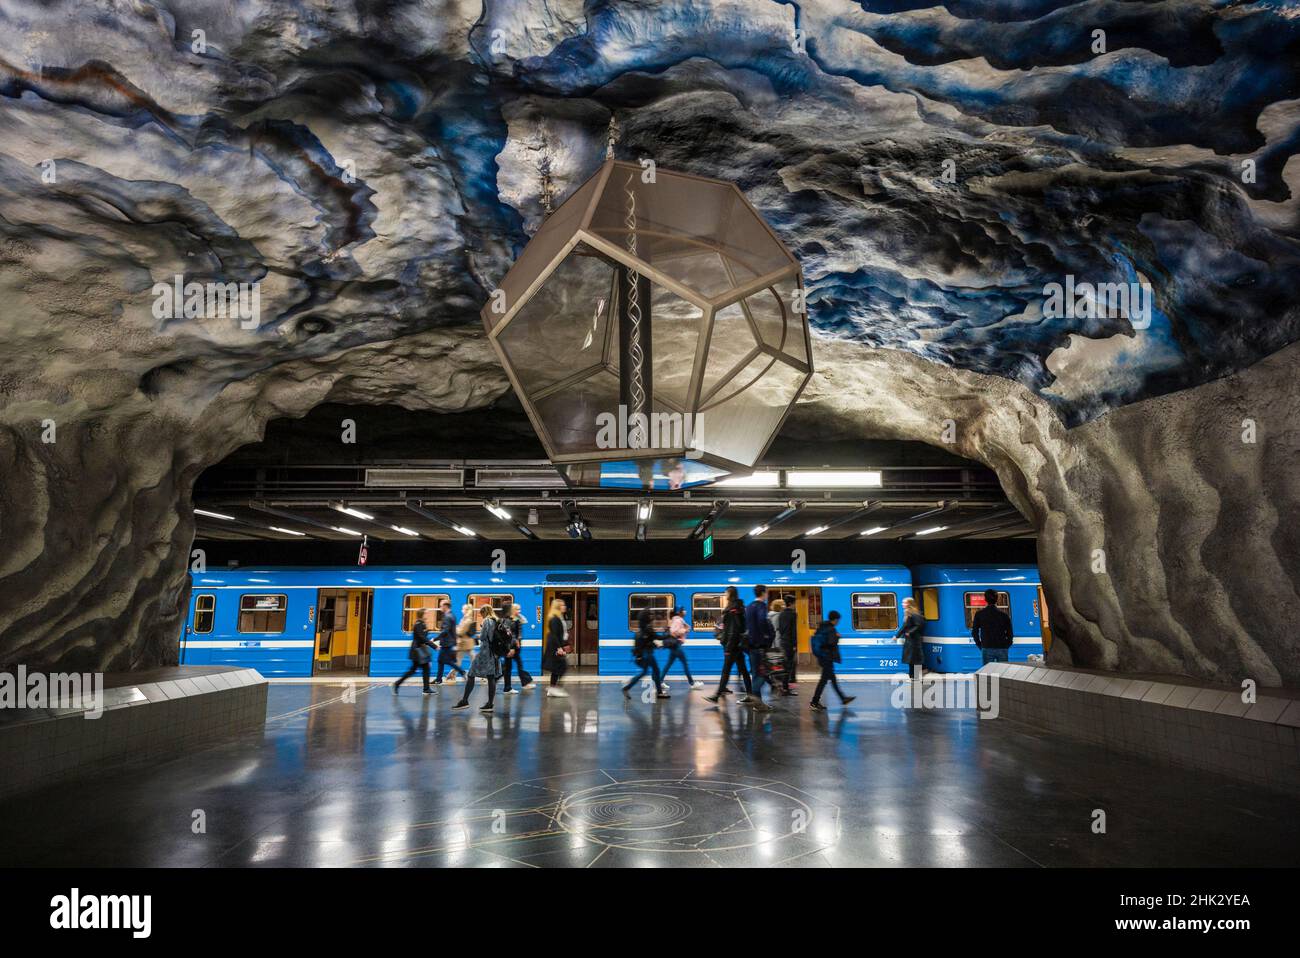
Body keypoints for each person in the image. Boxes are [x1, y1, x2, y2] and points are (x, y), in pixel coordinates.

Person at [452, 604, 505, 713]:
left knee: (471, 674)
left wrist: (479, 632)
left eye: (481, 614)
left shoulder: (486, 621)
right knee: (491, 678)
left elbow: (484, 637)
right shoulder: (496, 620)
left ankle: (465, 701)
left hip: (485, 652)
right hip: (494, 653)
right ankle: (490, 703)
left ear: (484, 613)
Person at [705, 587, 753, 704]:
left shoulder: (732, 609)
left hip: (732, 645)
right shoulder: (738, 607)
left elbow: (733, 630)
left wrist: (728, 647)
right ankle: (750, 695)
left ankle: (716, 695)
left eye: (726, 592)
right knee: (743, 670)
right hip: (738, 644)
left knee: (726, 670)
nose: (725, 594)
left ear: (730, 593)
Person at [809, 611, 855, 710]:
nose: (838, 622)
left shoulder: (822, 627)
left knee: (832, 680)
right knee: (823, 681)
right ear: (835, 620)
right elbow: (830, 643)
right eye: (838, 620)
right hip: (827, 657)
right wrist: (837, 637)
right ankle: (814, 702)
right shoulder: (831, 629)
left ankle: (843, 698)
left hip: (823, 657)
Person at [623, 608, 669, 700]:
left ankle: (626, 688)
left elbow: (648, 641)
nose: (651, 617)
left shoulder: (641, 628)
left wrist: (655, 645)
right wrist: (669, 634)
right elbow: (659, 637)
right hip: (647, 654)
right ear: (646, 617)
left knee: (647, 671)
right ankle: (659, 692)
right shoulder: (648, 628)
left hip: (642, 654)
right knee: (655, 671)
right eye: (650, 615)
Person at [743, 584, 776, 711]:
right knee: (763, 673)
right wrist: (767, 635)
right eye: (766, 592)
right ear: (763, 593)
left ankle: (758, 705)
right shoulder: (761, 606)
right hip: (760, 645)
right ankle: (753, 695)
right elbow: (762, 620)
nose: (767, 595)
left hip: (751, 645)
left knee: (756, 673)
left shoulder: (749, 606)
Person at [394, 608, 435, 694]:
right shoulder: (418, 624)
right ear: (422, 614)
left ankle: (398, 684)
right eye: (426, 613)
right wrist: (434, 646)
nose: (428, 615)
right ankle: (426, 689)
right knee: (422, 669)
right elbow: (422, 637)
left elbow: (423, 636)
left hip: (419, 650)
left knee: (415, 670)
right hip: (417, 651)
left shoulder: (422, 623)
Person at [660, 606, 703, 690]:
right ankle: (692, 683)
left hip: (675, 645)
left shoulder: (676, 619)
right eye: (683, 610)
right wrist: (685, 630)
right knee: (685, 663)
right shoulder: (678, 620)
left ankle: (660, 681)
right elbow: (673, 631)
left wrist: (685, 629)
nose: (685, 611)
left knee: (669, 664)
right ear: (679, 612)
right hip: (677, 645)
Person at [971, 589, 1014, 665]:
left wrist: (980, 645)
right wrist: (1007, 644)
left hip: (987, 647)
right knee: (1003, 672)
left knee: (988, 674)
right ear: (997, 599)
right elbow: (1010, 633)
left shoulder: (979, 614)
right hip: (1002, 647)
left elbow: (974, 632)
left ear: (985, 599)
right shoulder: (1004, 615)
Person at [500, 603, 536, 693]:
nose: (519, 611)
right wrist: (512, 647)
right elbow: (510, 635)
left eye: (519, 609)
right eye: (517, 609)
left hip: (515, 647)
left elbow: (520, 629)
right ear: (512, 610)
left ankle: (517, 684)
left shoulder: (516, 619)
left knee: (510, 666)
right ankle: (510, 686)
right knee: (509, 667)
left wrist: (518, 641)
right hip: (510, 647)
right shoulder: (508, 620)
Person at [542, 598, 572, 697]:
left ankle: (553, 688)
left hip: (557, 645)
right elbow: (554, 634)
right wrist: (559, 648)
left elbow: (561, 634)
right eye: (563, 605)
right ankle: (555, 688)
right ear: (558, 607)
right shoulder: (555, 619)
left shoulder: (558, 618)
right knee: (561, 667)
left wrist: (565, 644)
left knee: (557, 669)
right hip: (555, 646)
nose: (565, 607)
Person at [433, 598, 466, 685]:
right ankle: (438, 679)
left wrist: (435, 639)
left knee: (447, 661)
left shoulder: (447, 617)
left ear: (445, 606)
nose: (440, 607)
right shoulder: (452, 615)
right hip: (449, 642)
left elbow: (445, 631)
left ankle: (462, 672)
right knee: (440, 660)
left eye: (441, 606)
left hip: (447, 643)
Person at [768, 598, 795, 696]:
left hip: (770, 644)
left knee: (772, 665)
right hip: (778, 643)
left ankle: (774, 684)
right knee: (782, 665)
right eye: (783, 605)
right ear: (780, 607)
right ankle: (781, 686)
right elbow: (778, 632)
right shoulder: (778, 616)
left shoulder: (769, 615)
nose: (784, 606)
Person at [896, 596, 926, 677]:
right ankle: (912, 676)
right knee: (911, 659)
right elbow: (904, 626)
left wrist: (910, 632)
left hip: (915, 640)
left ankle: (916, 676)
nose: (903, 604)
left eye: (904, 602)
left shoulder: (915, 614)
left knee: (915, 660)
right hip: (910, 640)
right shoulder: (908, 613)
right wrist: (897, 636)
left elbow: (919, 625)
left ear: (909, 604)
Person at [455, 602, 477, 677]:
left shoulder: (467, 620)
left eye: (463, 609)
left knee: (458, 660)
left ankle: (452, 675)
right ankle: (452, 675)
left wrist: (455, 628)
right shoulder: (466, 619)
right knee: (472, 659)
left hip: (464, 643)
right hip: (466, 643)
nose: (461, 610)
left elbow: (460, 631)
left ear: (466, 610)